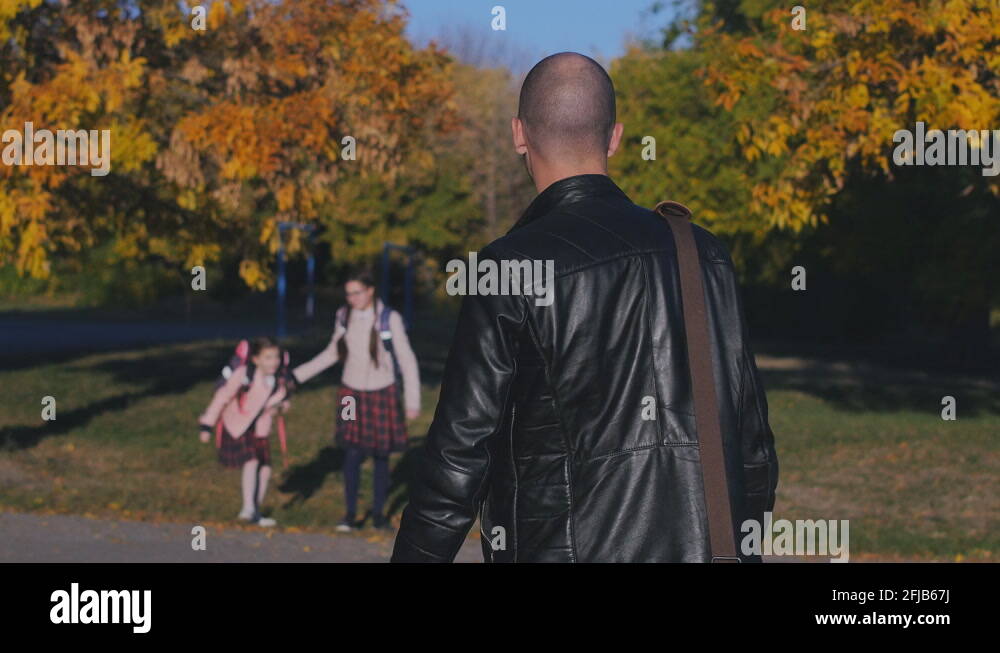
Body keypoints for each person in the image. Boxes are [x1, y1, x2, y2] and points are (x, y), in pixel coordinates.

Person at [391, 52, 779, 562]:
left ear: (518, 135)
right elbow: (752, 447)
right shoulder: (704, 255)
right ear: (615, 137)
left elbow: (458, 458)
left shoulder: (508, 266)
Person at [292, 270, 421, 531]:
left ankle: (378, 514)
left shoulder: (389, 319)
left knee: (380, 455)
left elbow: (407, 360)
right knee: (352, 451)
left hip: (382, 393)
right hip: (350, 395)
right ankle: (349, 514)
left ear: (370, 290)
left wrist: (413, 400)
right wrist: (296, 376)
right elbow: (332, 353)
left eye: (357, 292)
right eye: (348, 293)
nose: (352, 298)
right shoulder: (343, 315)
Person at [198, 336, 290, 528]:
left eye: (276, 357)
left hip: (260, 429)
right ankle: (247, 508)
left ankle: (256, 511)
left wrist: (282, 404)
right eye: (268, 357)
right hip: (238, 426)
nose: (274, 362)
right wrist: (207, 424)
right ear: (256, 359)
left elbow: (278, 400)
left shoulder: (278, 380)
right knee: (252, 461)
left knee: (265, 470)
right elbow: (222, 397)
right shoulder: (243, 374)